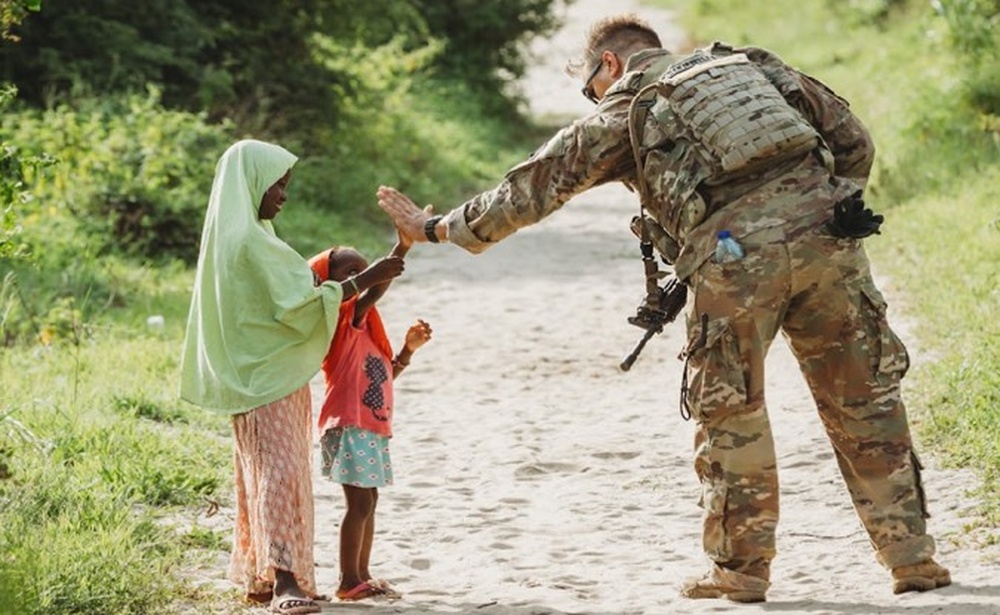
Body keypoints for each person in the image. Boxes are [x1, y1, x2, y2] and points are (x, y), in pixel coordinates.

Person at [375, 13, 950, 604]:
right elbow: (854, 141)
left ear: (610, 64)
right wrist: (823, 208)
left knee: (732, 412)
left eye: (589, 86)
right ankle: (913, 560)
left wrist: (438, 227)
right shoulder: (750, 64)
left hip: (734, 262)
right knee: (864, 397)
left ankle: (741, 571)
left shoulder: (627, 108)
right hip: (832, 242)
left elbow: (530, 189)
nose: (592, 97)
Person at [179, 139, 404, 614]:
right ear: (253, 182)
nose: (283, 195)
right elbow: (300, 305)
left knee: (271, 474)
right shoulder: (248, 242)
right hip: (264, 378)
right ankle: (284, 583)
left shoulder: (249, 237)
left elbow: (294, 300)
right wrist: (364, 279)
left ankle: (274, 575)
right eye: (278, 184)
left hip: (269, 374)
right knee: (277, 476)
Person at [307, 237, 432, 602]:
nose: (362, 277)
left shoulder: (370, 333)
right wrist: (402, 246)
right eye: (351, 273)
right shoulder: (345, 320)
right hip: (348, 424)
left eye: (364, 270)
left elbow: (383, 378)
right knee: (359, 504)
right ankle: (348, 580)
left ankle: (361, 575)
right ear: (329, 284)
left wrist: (408, 350)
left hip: (368, 427)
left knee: (369, 502)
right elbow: (371, 293)